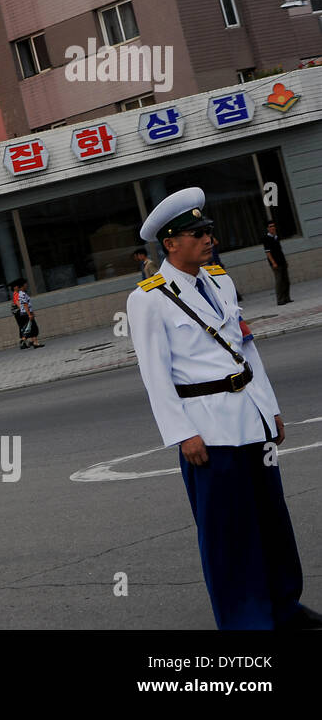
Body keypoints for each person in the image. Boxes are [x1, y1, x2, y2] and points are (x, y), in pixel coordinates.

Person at [127, 187, 319, 630]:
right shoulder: (148, 299)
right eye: (197, 233)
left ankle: (284, 606)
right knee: (228, 535)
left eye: (208, 230)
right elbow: (154, 376)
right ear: (170, 243)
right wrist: (181, 433)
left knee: (272, 522)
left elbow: (245, 350)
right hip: (208, 432)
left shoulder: (220, 281)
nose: (208, 238)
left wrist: (269, 410)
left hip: (250, 420)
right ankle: (247, 620)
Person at [264, 220, 291, 305]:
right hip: (275, 263)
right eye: (271, 226)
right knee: (279, 282)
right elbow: (268, 253)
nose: (273, 228)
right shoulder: (266, 239)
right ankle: (280, 300)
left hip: (282, 261)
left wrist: (285, 260)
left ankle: (287, 298)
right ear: (268, 228)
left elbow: (280, 250)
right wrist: (273, 263)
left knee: (286, 281)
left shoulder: (276, 237)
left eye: (273, 226)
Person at [10, 279, 43, 349]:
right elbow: (22, 304)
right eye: (25, 284)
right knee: (29, 327)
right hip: (24, 313)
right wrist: (28, 313)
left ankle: (30, 341)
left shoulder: (19, 293)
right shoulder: (19, 294)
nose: (26, 285)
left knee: (29, 327)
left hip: (24, 312)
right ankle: (24, 340)